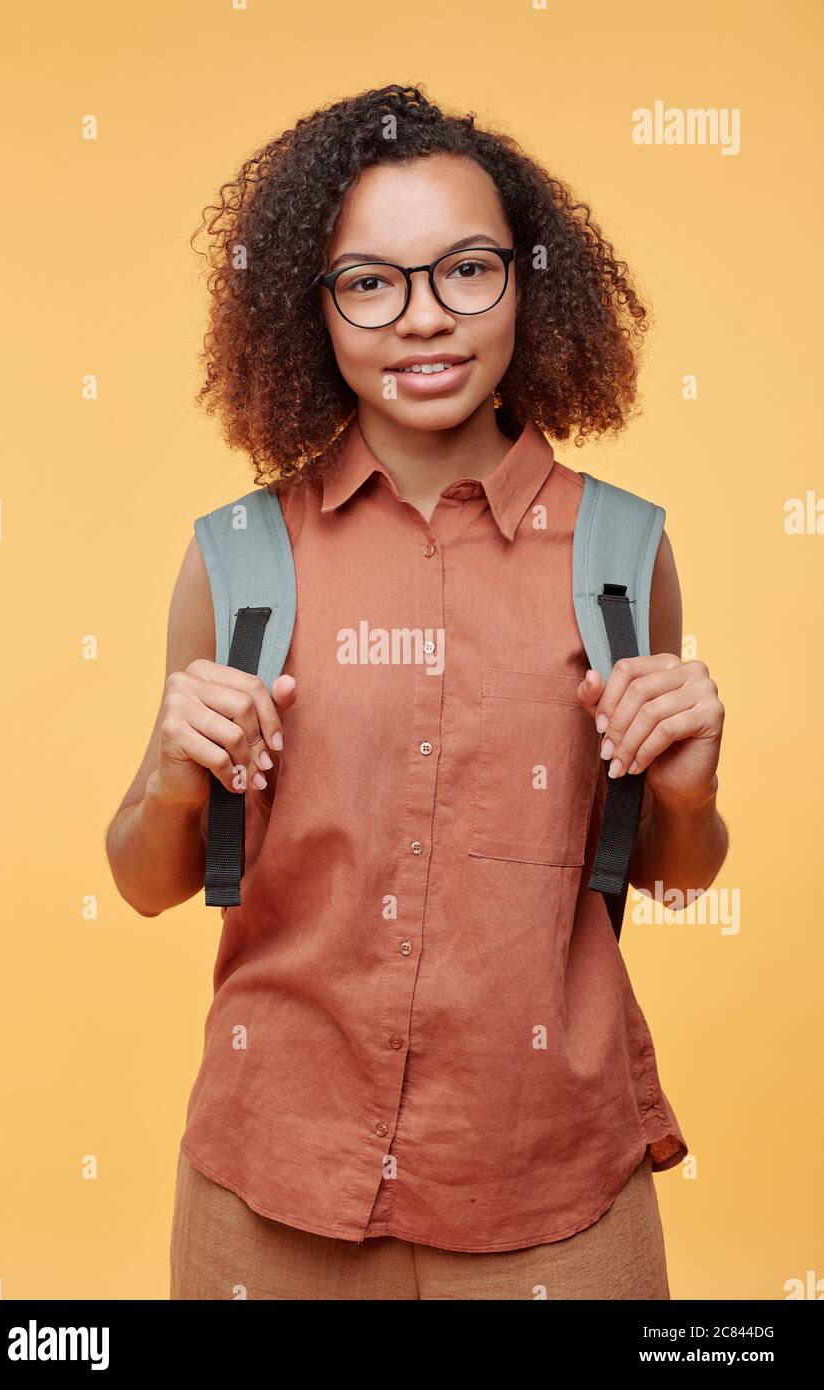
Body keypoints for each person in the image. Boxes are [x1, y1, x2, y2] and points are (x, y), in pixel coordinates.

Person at [106, 83, 728, 1301]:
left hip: (552, 1192)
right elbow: (146, 881)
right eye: (370, 282)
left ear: (523, 284)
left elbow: (668, 867)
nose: (423, 319)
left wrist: (692, 797)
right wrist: (169, 778)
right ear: (317, 311)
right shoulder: (236, 557)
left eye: (466, 270)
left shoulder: (619, 551)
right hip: (269, 1185)